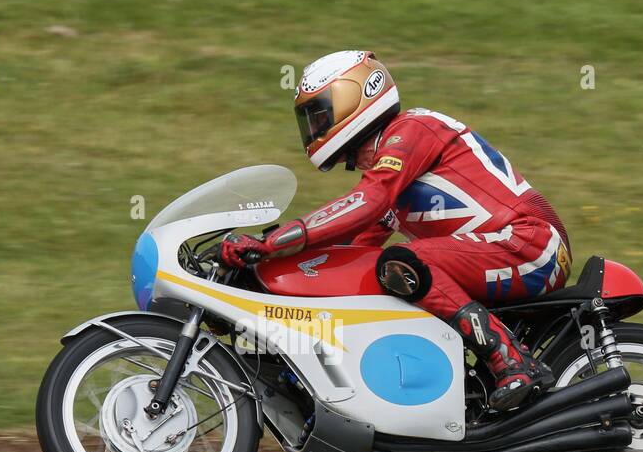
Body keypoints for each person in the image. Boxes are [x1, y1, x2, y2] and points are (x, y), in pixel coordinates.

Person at [220, 50, 572, 411]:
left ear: (356, 96)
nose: (313, 127)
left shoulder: (411, 130)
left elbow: (366, 203)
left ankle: (512, 360)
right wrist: (259, 273)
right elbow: (354, 247)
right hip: (508, 250)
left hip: (530, 243)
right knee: (380, 273)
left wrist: (271, 242)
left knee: (402, 262)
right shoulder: (388, 168)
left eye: (320, 114)